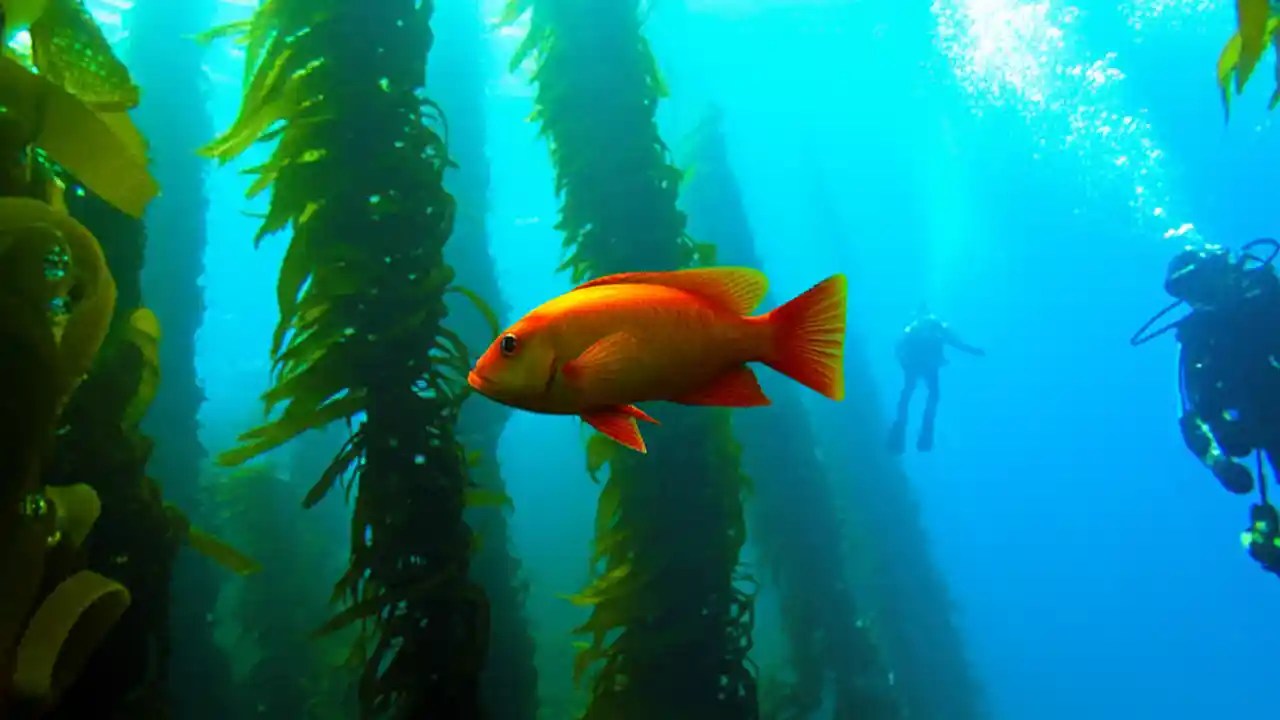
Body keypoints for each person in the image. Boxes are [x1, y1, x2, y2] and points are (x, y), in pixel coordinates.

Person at [1132, 239, 1280, 578]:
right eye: (1192, 291)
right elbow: (1192, 420)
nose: (1203, 296)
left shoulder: (1272, 297)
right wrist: (1220, 464)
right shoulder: (1201, 341)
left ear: (1223, 271)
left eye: (1204, 283)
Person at [887, 303, 985, 455]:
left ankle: (899, 429)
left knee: (907, 393)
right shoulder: (936, 323)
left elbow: (899, 345)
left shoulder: (914, 324)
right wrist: (973, 350)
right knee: (932, 395)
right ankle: (926, 432)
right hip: (930, 364)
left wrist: (903, 362)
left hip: (913, 362)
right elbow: (955, 342)